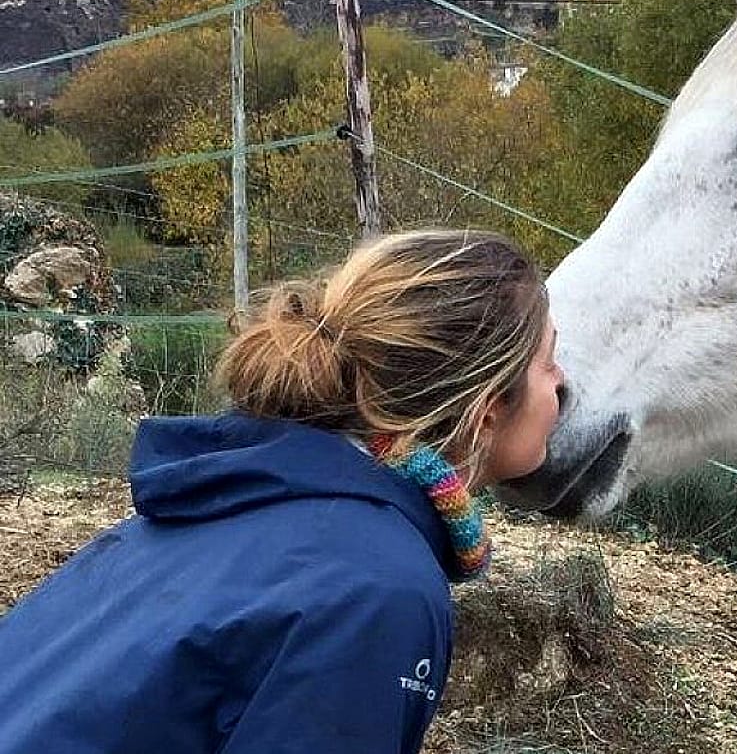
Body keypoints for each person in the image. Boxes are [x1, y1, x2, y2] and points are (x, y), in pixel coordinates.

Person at [0, 229, 564, 753]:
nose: (561, 380)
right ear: (487, 411)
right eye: (547, 361)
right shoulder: (376, 589)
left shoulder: (237, 495)